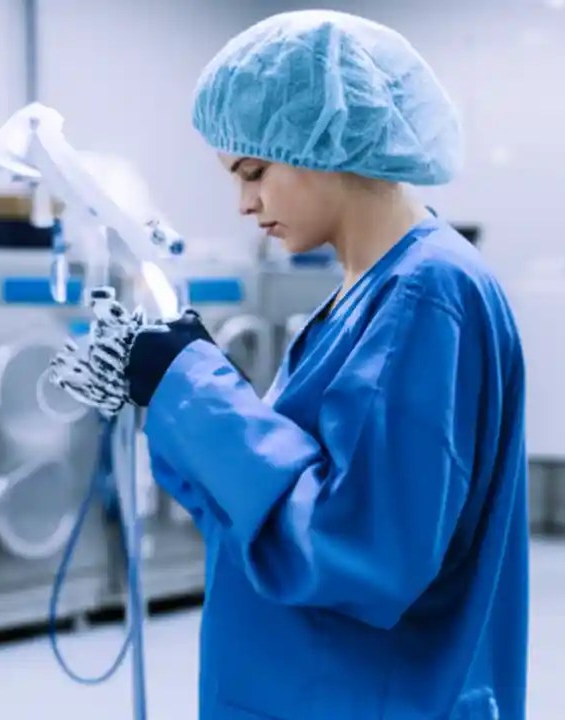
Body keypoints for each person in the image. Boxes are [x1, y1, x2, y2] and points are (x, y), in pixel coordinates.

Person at [52, 9, 528, 719]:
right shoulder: (362, 291)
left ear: (327, 137)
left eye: (254, 171)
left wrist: (196, 389)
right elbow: (276, 503)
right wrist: (186, 383)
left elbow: (358, 547)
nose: (244, 203)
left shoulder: (428, 292)